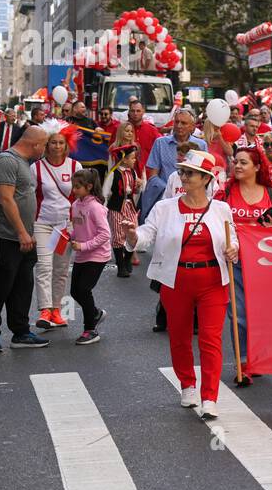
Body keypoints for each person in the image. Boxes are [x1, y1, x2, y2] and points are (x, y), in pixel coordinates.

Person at [125, 150, 239, 419]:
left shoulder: (221, 208)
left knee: (211, 340)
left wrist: (233, 249)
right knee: (179, 337)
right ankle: (187, 384)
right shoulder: (165, 208)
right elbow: (146, 235)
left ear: (205, 178)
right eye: (182, 172)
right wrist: (133, 235)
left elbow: (232, 238)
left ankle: (210, 396)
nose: (182, 177)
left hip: (213, 280)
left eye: (189, 173)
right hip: (176, 281)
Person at [221, 144, 272, 385]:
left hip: (264, 264)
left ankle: (258, 357)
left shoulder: (270, 193)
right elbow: (215, 221)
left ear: (257, 167)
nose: (237, 166)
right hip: (235, 261)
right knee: (238, 314)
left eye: (243, 163)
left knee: (260, 313)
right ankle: (243, 363)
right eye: (235, 162)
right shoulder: (226, 191)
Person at [0, 125, 51, 353]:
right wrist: (21, 231)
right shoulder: (6, 161)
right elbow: (5, 199)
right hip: (6, 238)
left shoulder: (24, 163)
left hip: (25, 238)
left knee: (22, 287)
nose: (45, 149)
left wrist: (27, 233)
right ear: (35, 144)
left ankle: (20, 332)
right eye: (44, 145)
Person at [32, 123, 79, 329]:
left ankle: (57, 310)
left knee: (60, 270)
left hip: (64, 227)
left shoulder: (75, 166)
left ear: (66, 144)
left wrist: (80, 227)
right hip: (42, 224)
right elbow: (29, 197)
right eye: (53, 142)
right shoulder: (36, 168)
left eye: (61, 142)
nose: (57, 146)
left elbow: (81, 198)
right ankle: (45, 310)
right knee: (44, 266)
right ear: (46, 144)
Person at [67, 169, 111, 345]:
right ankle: (95, 313)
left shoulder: (95, 208)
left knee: (84, 290)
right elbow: (77, 228)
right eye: (73, 186)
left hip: (97, 255)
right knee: (74, 291)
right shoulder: (75, 205)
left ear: (89, 187)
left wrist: (84, 245)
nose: (74, 190)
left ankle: (90, 329)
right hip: (81, 255)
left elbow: (105, 234)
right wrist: (69, 236)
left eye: (77, 187)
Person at [141, 107, 206, 219]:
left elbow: (204, 174)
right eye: (177, 122)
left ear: (192, 127)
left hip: (192, 199)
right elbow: (153, 175)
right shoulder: (160, 143)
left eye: (183, 123)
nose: (179, 125)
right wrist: (170, 188)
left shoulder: (201, 145)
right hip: (165, 198)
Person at [105, 144, 141, 276]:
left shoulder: (133, 172)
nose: (134, 160)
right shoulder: (114, 173)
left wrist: (138, 187)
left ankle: (127, 260)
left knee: (133, 233)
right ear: (124, 159)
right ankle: (121, 266)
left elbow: (135, 191)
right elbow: (106, 192)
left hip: (129, 206)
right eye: (132, 158)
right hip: (116, 207)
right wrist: (103, 209)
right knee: (118, 236)